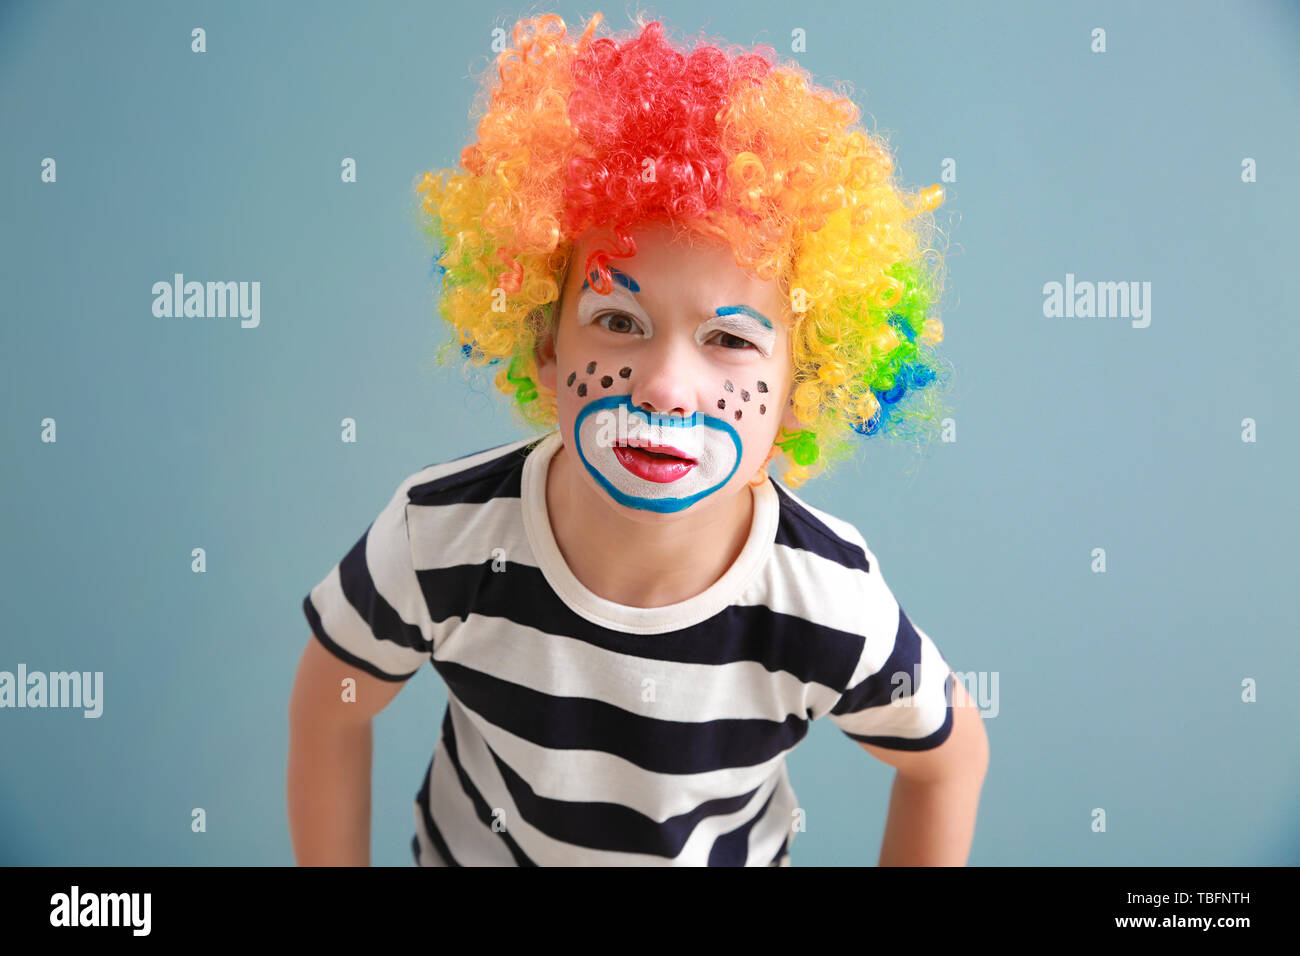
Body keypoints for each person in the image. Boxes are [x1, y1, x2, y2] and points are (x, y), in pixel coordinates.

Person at [288, 12, 988, 866]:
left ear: (805, 392)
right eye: (618, 320)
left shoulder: (825, 600)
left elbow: (951, 757)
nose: (663, 387)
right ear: (547, 352)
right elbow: (332, 704)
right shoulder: (440, 537)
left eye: (730, 340)